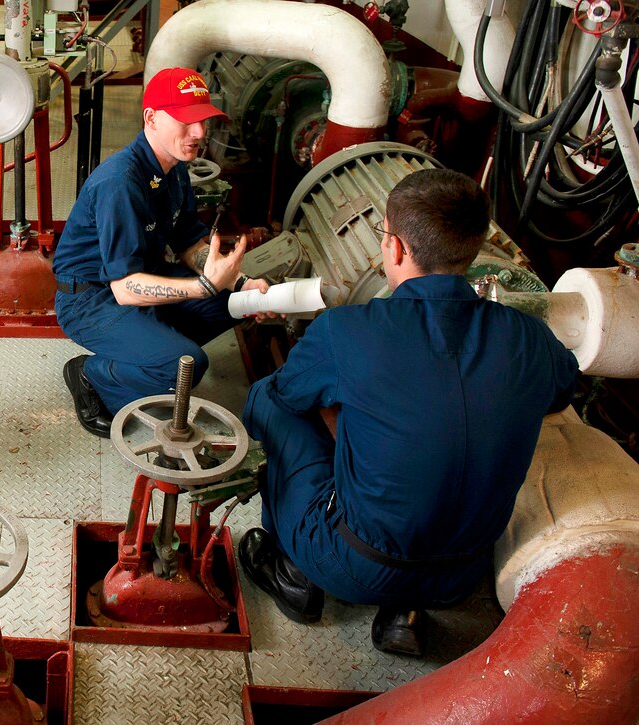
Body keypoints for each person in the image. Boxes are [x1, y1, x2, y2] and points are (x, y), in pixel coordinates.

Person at [238, 168, 580, 656]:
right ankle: (406, 613)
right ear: (475, 248)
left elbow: (292, 395)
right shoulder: (531, 340)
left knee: (269, 396)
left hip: (350, 566)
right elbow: (561, 391)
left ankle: (293, 569)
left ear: (395, 248)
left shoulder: (346, 330)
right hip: (460, 576)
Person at [53, 67, 273, 437]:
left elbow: (189, 243)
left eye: (202, 120)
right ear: (151, 118)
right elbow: (124, 289)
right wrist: (205, 287)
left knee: (237, 301)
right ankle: (90, 374)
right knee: (188, 363)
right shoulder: (121, 182)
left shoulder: (173, 167)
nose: (199, 133)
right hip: (91, 300)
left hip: (137, 280)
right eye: (186, 122)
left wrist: (241, 282)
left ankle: (151, 347)